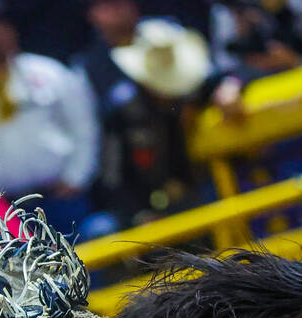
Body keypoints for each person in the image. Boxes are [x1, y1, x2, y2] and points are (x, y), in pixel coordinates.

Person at [0, 1, 99, 235]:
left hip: (62, 197)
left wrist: (77, 178)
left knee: (87, 258)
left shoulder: (50, 73)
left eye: (1, 25)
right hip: (6, 209)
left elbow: (85, 126)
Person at [73, 3, 209, 232]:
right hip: (133, 199)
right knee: (100, 230)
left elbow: (211, 78)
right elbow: (110, 167)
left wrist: (226, 86)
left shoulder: (163, 35)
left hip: (194, 184)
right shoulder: (96, 80)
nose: (119, 9)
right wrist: (137, 213)